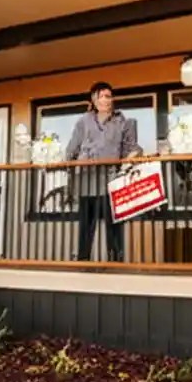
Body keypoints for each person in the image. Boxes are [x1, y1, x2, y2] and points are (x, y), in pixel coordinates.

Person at [65, 81, 141, 261]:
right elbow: (71, 150)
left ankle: (116, 263)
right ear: (94, 99)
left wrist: (135, 154)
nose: (107, 100)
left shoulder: (122, 122)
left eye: (109, 96)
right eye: (102, 96)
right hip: (87, 182)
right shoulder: (83, 121)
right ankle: (83, 262)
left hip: (111, 183)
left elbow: (131, 148)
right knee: (86, 228)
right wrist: (70, 168)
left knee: (114, 228)